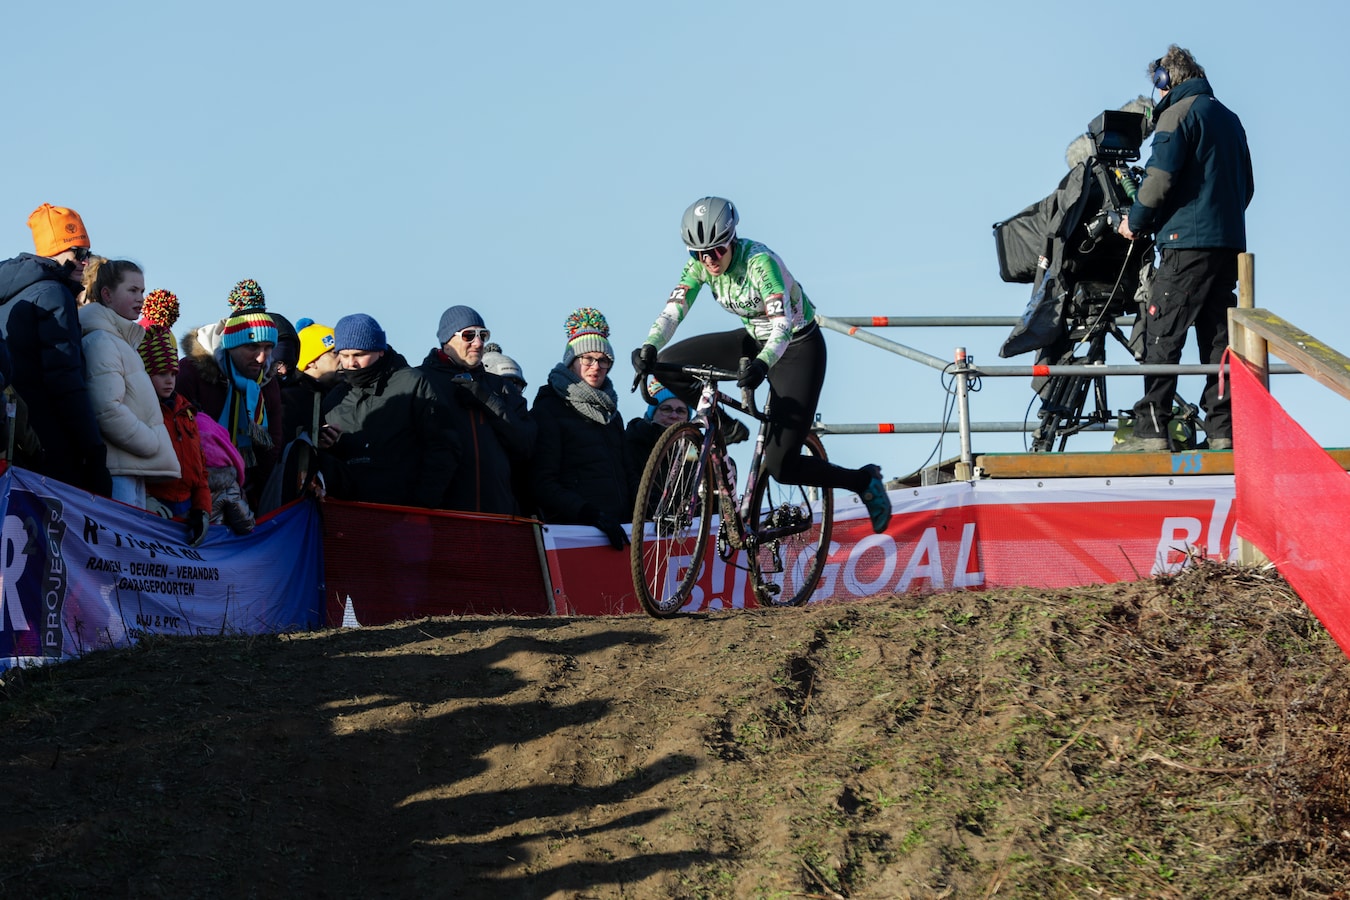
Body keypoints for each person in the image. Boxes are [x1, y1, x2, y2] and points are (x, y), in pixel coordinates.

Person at [632, 197, 892, 533]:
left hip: (797, 345)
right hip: (754, 337)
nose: (708, 259)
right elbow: (674, 310)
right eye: (699, 253)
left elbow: (782, 325)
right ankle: (723, 424)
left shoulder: (759, 262)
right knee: (665, 364)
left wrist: (761, 364)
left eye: (716, 250)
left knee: (781, 465)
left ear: (732, 239)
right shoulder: (699, 266)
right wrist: (650, 346)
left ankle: (862, 480)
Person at [1115, 45, 1254, 452]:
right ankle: (1223, 429)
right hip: (1227, 245)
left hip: (1184, 244)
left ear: (1165, 81)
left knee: (1162, 331)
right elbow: (1246, 188)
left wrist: (1135, 222)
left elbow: (1157, 183)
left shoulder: (1177, 115)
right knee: (1217, 339)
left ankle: (1152, 428)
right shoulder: (1230, 119)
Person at [0, 204, 111, 493]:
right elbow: (65, 380)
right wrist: (93, 452)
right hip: (51, 446)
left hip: (17, 441)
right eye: (79, 253)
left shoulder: (12, 293)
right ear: (54, 253)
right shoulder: (54, 293)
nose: (87, 262)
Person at [317, 314, 459, 507]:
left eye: (359, 355)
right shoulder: (335, 397)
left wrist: (423, 505)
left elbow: (442, 448)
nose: (351, 363)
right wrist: (325, 444)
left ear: (380, 351)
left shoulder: (413, 384)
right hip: (348, 514)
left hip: (404, 513)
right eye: (344, 355)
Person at [530, 308, 636, 549]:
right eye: (587, 358)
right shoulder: (550, 409)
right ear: (571, 361)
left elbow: (629, 473)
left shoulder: (611, 413)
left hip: (622, 531)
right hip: (574, 536)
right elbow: (543, 483)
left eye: (603, 360)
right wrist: (590, 514)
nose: (596, 366)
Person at [78, 259, 180, 509]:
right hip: (118, 467)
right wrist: (149, 441)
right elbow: (106, 408)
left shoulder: (122, 340)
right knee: (119, 547)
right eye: (132, 290)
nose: (141, 298)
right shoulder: (102, 340)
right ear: (107, 295)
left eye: (142, 291)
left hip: (130, 464)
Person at [177, 279, 284, 507]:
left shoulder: (266, 381)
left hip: (245, 494)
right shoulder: (190, 372)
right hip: (193, 490)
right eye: (252, 347)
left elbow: (271, 445)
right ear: (230, 344)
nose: (262, 358)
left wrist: (250, 491)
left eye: (268, 348)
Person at [419, 305, 535, 514]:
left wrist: (487, 400)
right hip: (444, 517)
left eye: (484, 335)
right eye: (469, 335)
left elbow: (526, 445)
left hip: (499, 516)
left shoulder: (502, 388)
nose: (478, 343)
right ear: (447, 340)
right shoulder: (421, 381)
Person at [137, 289, 211, 545]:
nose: (169, 380)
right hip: (155, 512)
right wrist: (143, 499)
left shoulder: (186, 411)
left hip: (187, 510)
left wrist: (202, 509)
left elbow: (200, 471)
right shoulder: (141, 411)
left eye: (172, 372)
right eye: (160, 373)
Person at [625, 378, 691, 469]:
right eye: (666, 409)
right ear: (652, 414)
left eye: (681, 411)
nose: (674, 416)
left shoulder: (697, 452)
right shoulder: (632, 441)